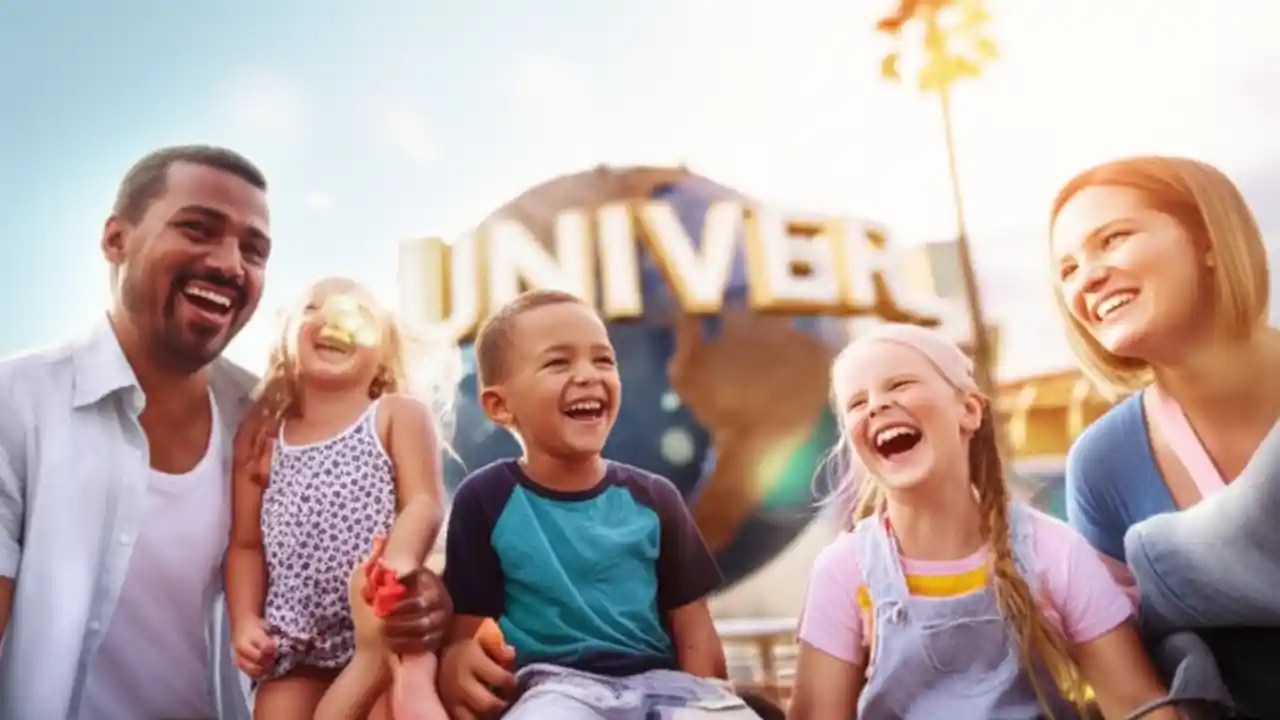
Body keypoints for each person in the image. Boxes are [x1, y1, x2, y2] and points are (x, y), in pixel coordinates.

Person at [0, 145, 451, 719]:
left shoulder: (268, 422)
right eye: (197, 229)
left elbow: (398, 533)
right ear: (117, 239)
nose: (229, 264)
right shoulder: (16, 405)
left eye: (254, 250)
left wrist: (423, 602)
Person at [788, 323, 1176, 719]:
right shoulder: (842, 571)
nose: (876, 406)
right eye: (856, 403)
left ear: (969, 411)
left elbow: (1137, 704)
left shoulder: (1054, 550)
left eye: (900, 384)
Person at [434, 289, 760, 719]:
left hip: (665, 684)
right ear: (500, 405)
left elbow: (692, 623)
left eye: (603, 360)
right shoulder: (486, 498)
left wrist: (708, 697)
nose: (589, 375)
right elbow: (469, 627)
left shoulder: (656, 497)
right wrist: (456, 663)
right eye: (557, 362)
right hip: (549, 688)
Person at [1051, 155, 1280, 715]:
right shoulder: (1103, 463)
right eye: (1068, 269)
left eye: (1114, 238)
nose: (1089, 277)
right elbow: (1133, 678)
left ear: (1207, 239)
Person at [226, 277, 454, 719]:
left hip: (379, 624)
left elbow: (423, 502)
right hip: (295, 642)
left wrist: (398, 564)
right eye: (313, 309)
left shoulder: (394, 415)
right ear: (286, 339)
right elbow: (245, 544)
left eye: (358, 314)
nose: (335, 318)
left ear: (384, 352)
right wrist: (243, 621)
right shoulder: (263, 434)